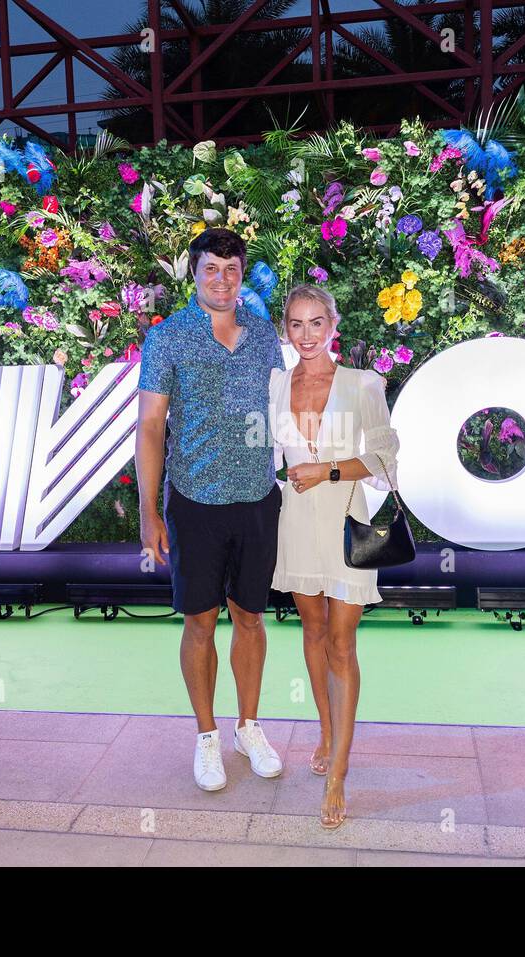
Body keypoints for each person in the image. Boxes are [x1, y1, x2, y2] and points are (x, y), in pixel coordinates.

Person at [135, 227, 286, 792]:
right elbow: (150, 427)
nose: (221, 280)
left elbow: (285, 410)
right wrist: (150, 512)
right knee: (200, 621)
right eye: (210, 270)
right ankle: (207, 737)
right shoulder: (168, 338)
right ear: (193, 273)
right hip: (194, 502)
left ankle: (249, 726)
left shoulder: (266, 334)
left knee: (250, 616)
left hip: (257, 499)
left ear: (241, 274)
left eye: (231, 270)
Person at [269, 284, 401, 829]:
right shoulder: (276, 384)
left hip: (349, 523)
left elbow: (386, 456)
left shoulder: (361, 383)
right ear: (286, 329)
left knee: (342, 644)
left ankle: (339, 772)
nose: (307, 335)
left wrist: (326, 470)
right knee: (313, 633)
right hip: (296, 522)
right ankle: (325, 730)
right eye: (297, 324)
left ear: (333, 325)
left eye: (316, 323)